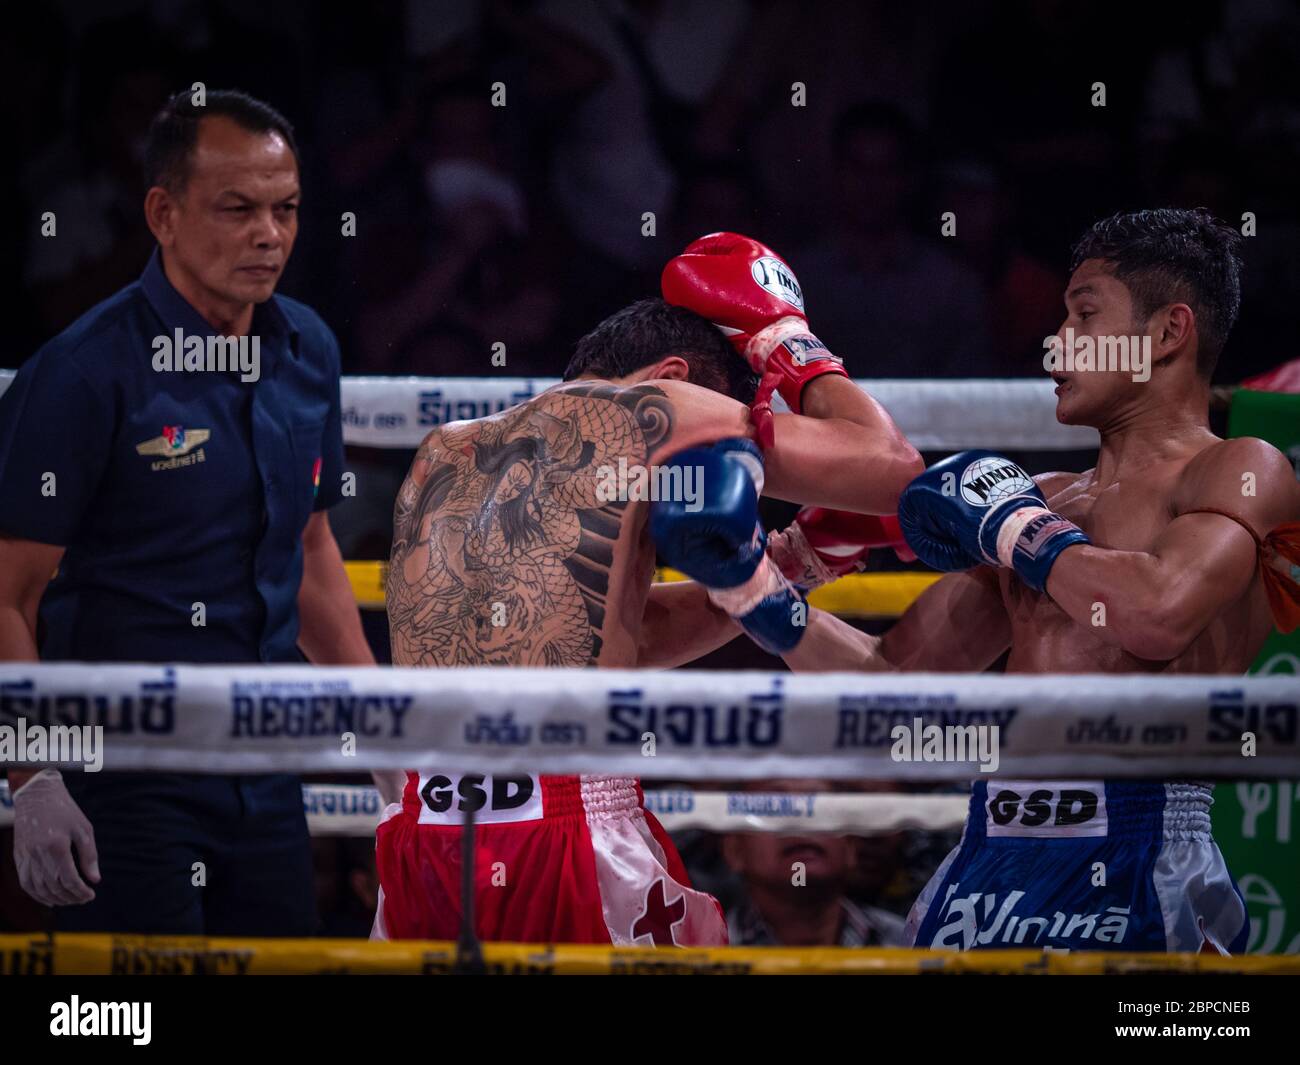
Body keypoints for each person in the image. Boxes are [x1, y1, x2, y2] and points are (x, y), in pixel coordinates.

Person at [655, 208, 1300, 952]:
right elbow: (890, 681)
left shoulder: (1242, 467)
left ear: (1167, 332)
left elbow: (1156, 611)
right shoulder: (1041, 497)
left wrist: (1018, 531)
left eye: (1085, 314)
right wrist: (752, 586)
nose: (1056, 339)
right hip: (987, 850)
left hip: (1138, 847)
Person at [375, 233, 924, 945]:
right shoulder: (651, 407)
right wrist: (784, 340)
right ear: (672, 371)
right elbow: (889, 466)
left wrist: (789, 560)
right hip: (568, 830)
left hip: (422, 840)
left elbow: (603, 641)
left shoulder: (444, 450)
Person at [0, 90, 380, 935]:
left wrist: (382, 730)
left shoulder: (306, 347)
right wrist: (33, 776)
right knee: (129, 1023)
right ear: (163, 215)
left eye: (285, 210)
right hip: (118, 769)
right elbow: (7, 594)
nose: (269, 235)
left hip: (264, 764)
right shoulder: (81, 373)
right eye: (237, 209)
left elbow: (312, 548)